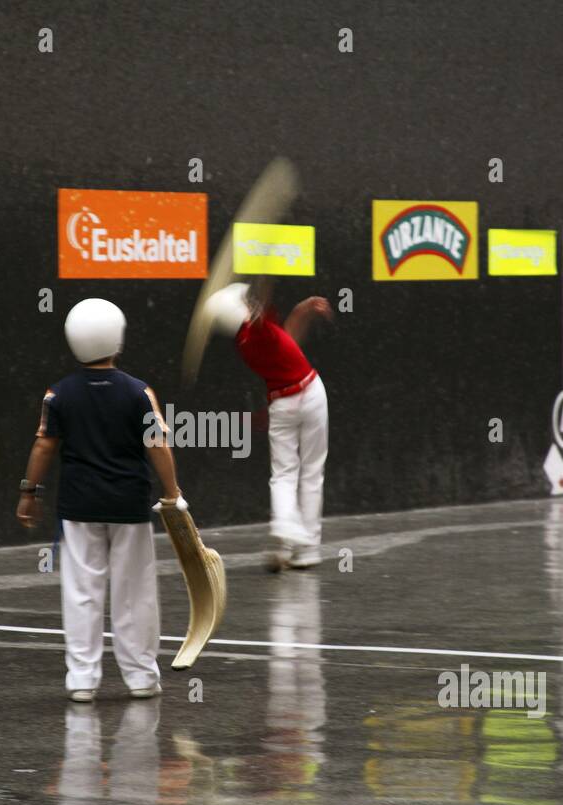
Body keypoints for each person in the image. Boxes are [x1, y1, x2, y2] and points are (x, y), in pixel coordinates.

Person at [17, 298, 183, 703]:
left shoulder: (58, 394)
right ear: (118, 339)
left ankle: (82, 681)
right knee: (135, 592)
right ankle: (142, 677)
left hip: (79, 509)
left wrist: (28, 492)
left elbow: (44, 445)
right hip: (128, 508)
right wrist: (172, 493)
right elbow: (158, 444)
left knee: (81, 592)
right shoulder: (139, 392)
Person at [206, 278, 333, 570]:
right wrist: (266, 272)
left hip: (282, 404)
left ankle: (286, 533)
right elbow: (264, 297)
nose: (250, 304)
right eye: (246, 303)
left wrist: (303, 310)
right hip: (310, 393)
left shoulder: (246, 341)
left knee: (284, 475)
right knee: (312, 473)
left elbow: (287, 339)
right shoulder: (256, 329)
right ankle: (303, 544)